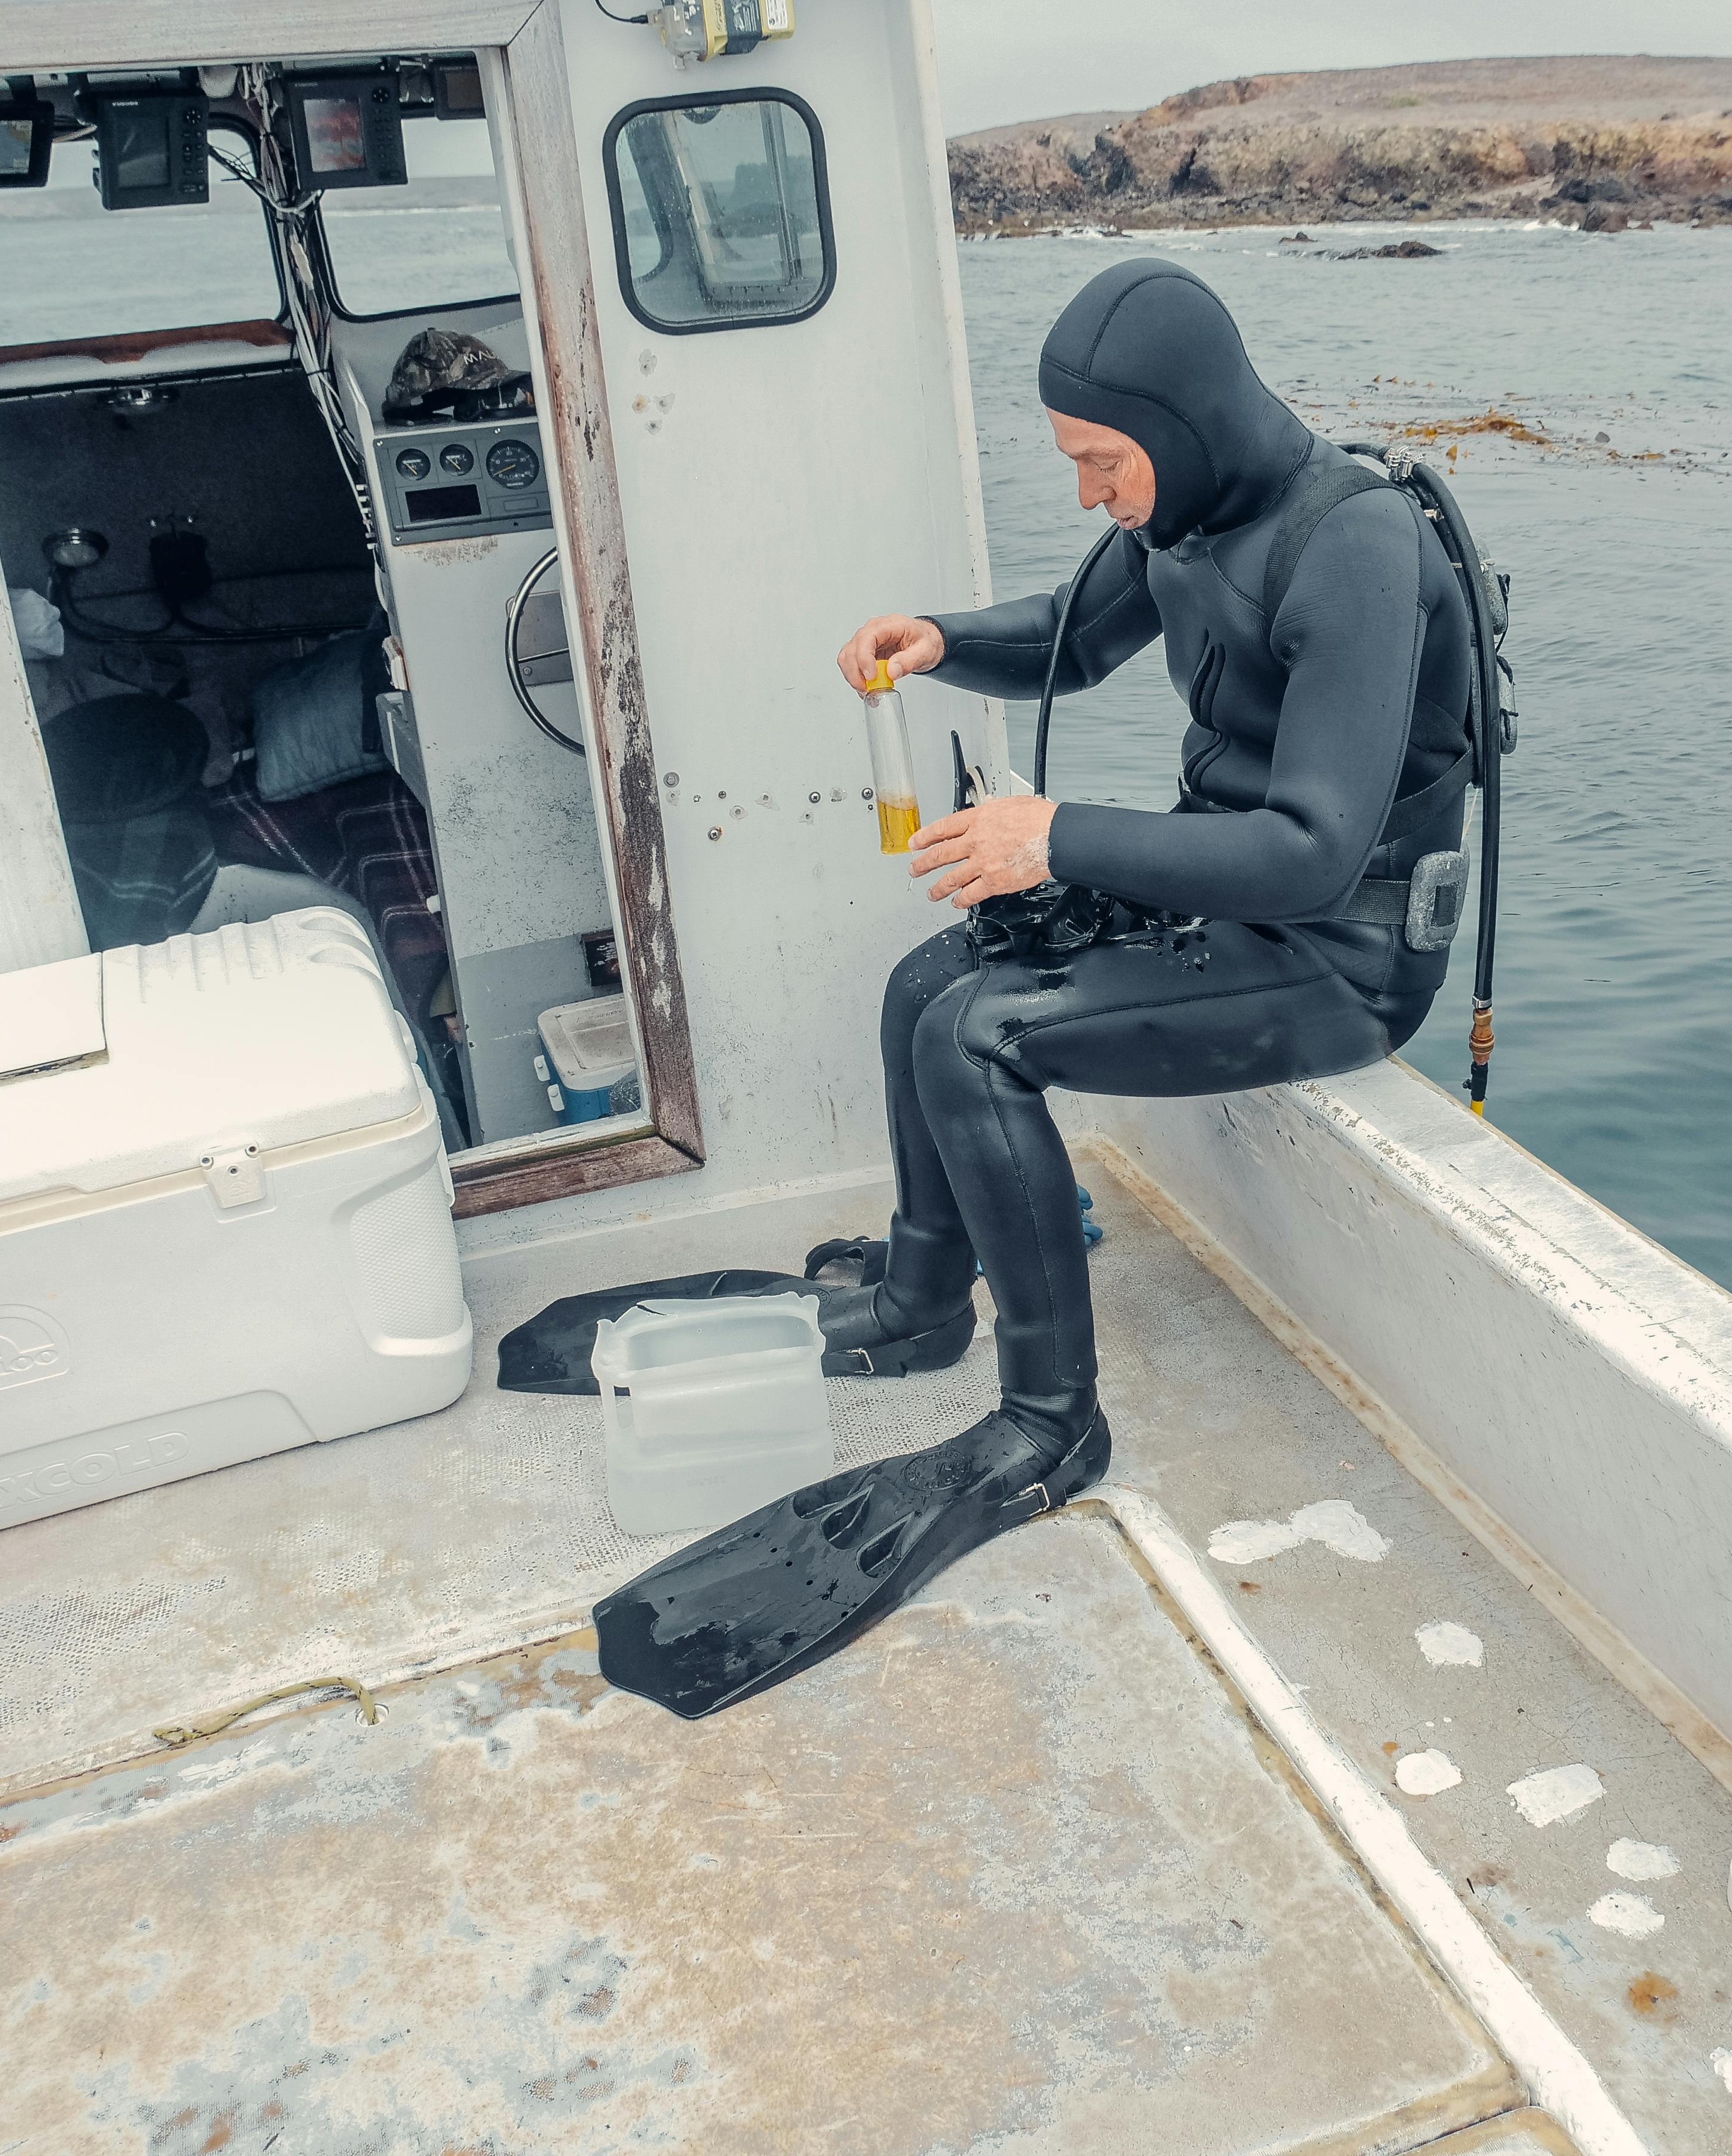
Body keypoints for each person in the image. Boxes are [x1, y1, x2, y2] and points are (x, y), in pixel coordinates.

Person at [592, 257, 1475, 1718]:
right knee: (925, 981)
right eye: (1075, 462)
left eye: (1101, 463)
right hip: (1223, 895)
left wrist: (1051, 836)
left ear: (1183, 426)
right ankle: (921, 1300)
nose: (1087, 493)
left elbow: (1315, 850)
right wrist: (940, 640)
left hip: (1342, 954)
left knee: (980, 1034)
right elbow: (1073, 638)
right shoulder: (1184, 514)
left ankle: (1052, 1422)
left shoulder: (1355, 548)